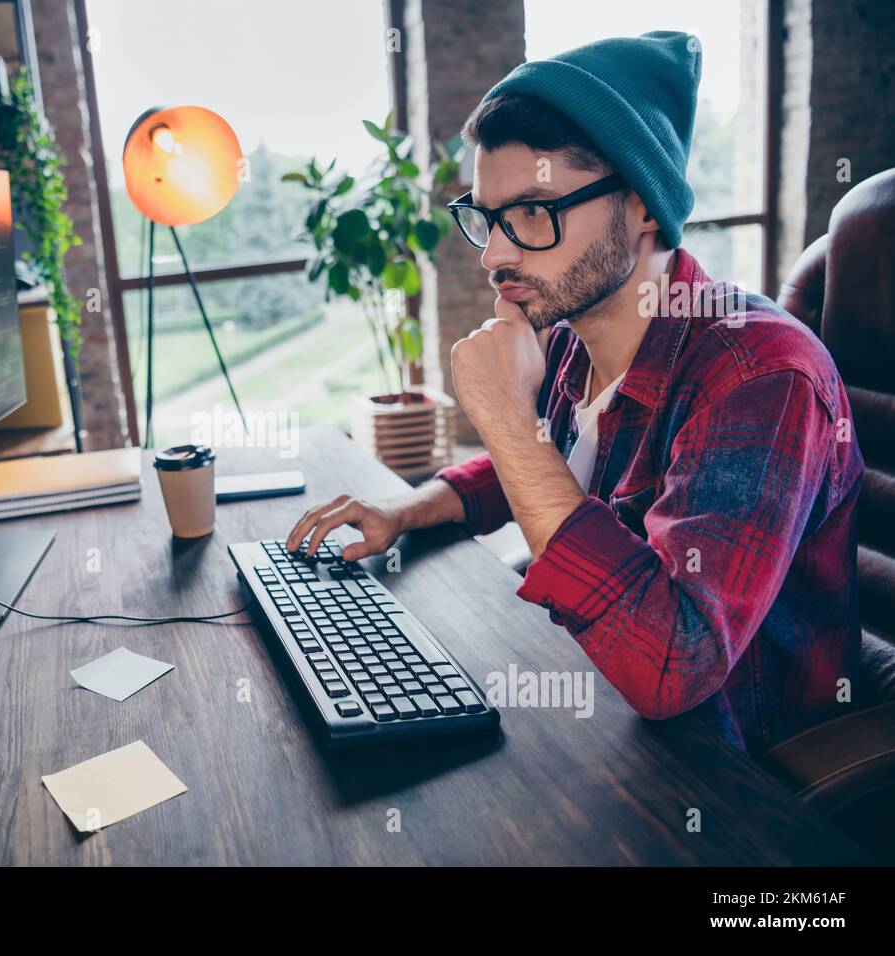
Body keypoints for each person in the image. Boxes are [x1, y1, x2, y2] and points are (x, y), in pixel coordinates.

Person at [286, 32, 863, 754]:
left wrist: (500, 415)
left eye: (534, 212)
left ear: (644, 203)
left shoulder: (761, 378)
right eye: (487, 218)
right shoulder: (566, 332)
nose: (495, 255)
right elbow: (539, 466)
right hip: (591, 691)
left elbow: (672, 668)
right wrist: (406, 509)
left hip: (726, 768)